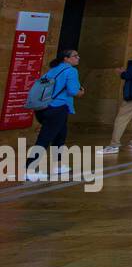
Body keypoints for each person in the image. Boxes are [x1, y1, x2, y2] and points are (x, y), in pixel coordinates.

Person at [25, 49, 84, 179]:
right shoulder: (71, 71)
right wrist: (81, 92)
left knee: (60, 136)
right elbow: (73, 91)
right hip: (57, 109)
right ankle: (29, 169)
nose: (78, 58)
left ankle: (57, 165)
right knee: (44, 139)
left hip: (43, 108)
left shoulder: (52, 70)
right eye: (75, 56)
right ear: (66, 59)